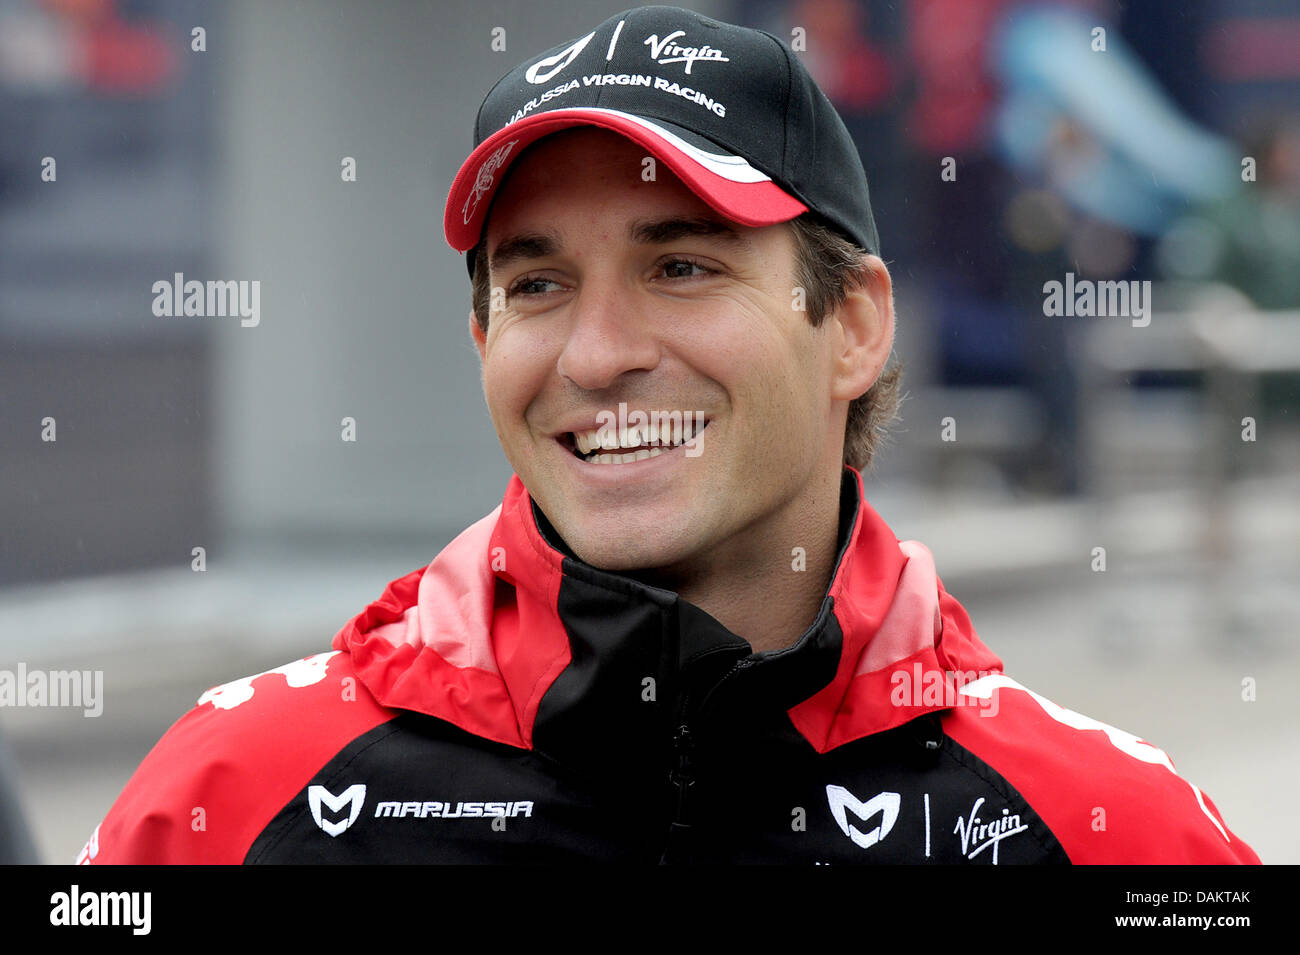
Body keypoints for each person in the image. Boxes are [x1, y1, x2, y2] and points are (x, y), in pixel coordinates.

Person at [81, 5, 1258, 864]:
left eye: (681, 265)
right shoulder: (221, 805)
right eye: (537, 286)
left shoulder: (1115, 837)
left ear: (851, 324)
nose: (596, 355)